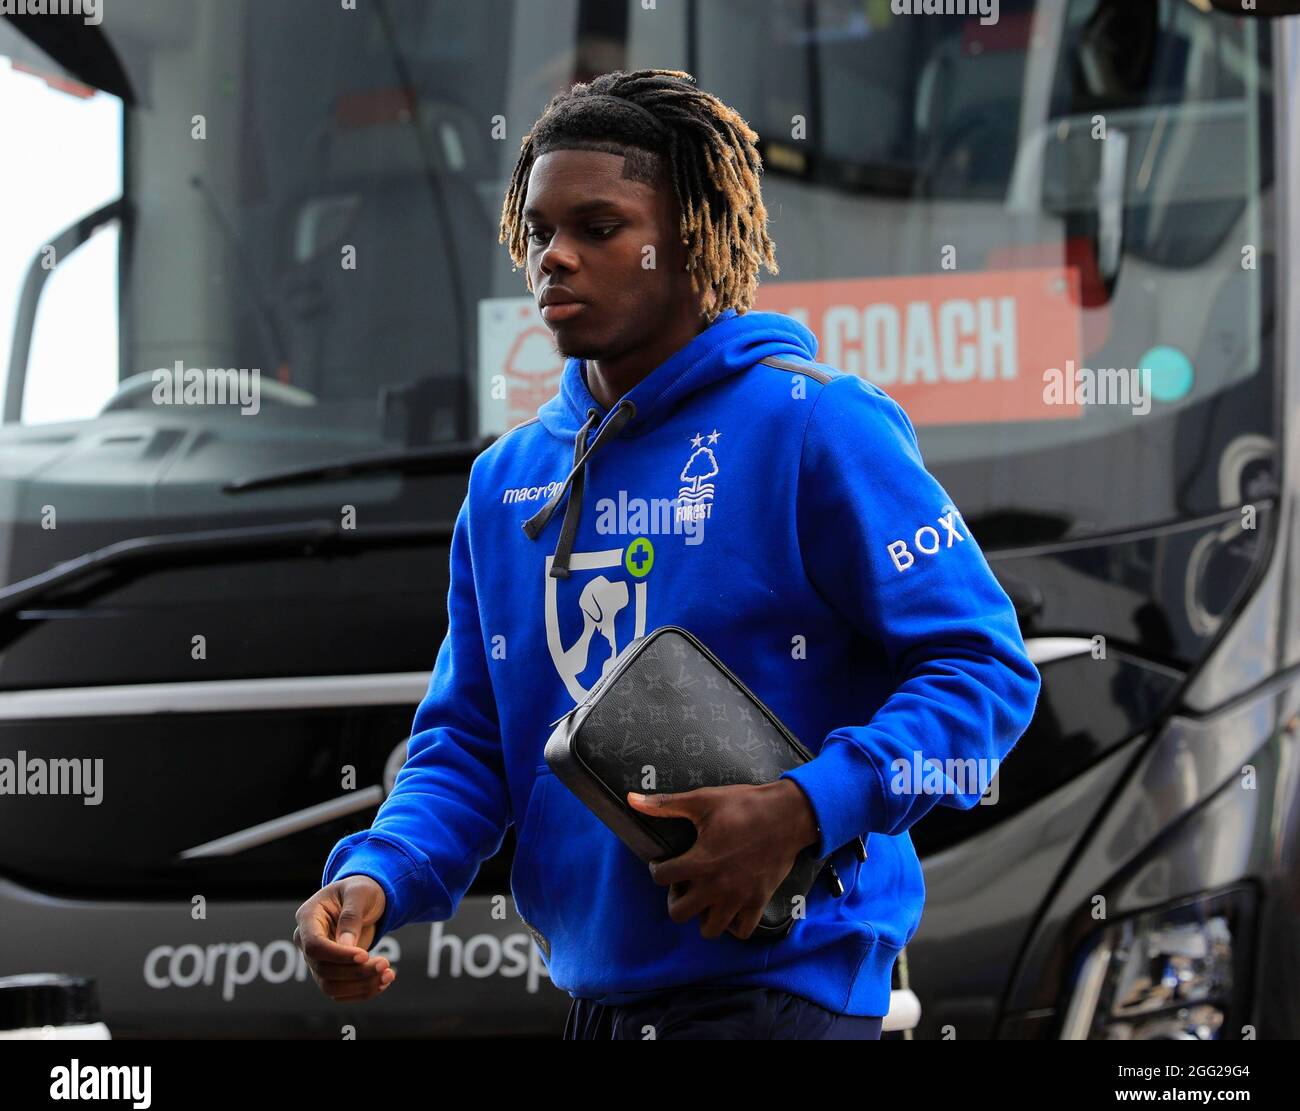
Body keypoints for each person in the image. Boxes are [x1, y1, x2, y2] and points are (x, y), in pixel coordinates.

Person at [293, 68, 1041, 1040]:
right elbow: (471, 743)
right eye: (538, 232)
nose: (555, 258)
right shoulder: (507, 480)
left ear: (691, 236)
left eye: (598, 228)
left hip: (786, 993)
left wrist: (804, 807)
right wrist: (378, 873)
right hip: (598, 1001)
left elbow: (985, 674)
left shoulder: (815, 425)